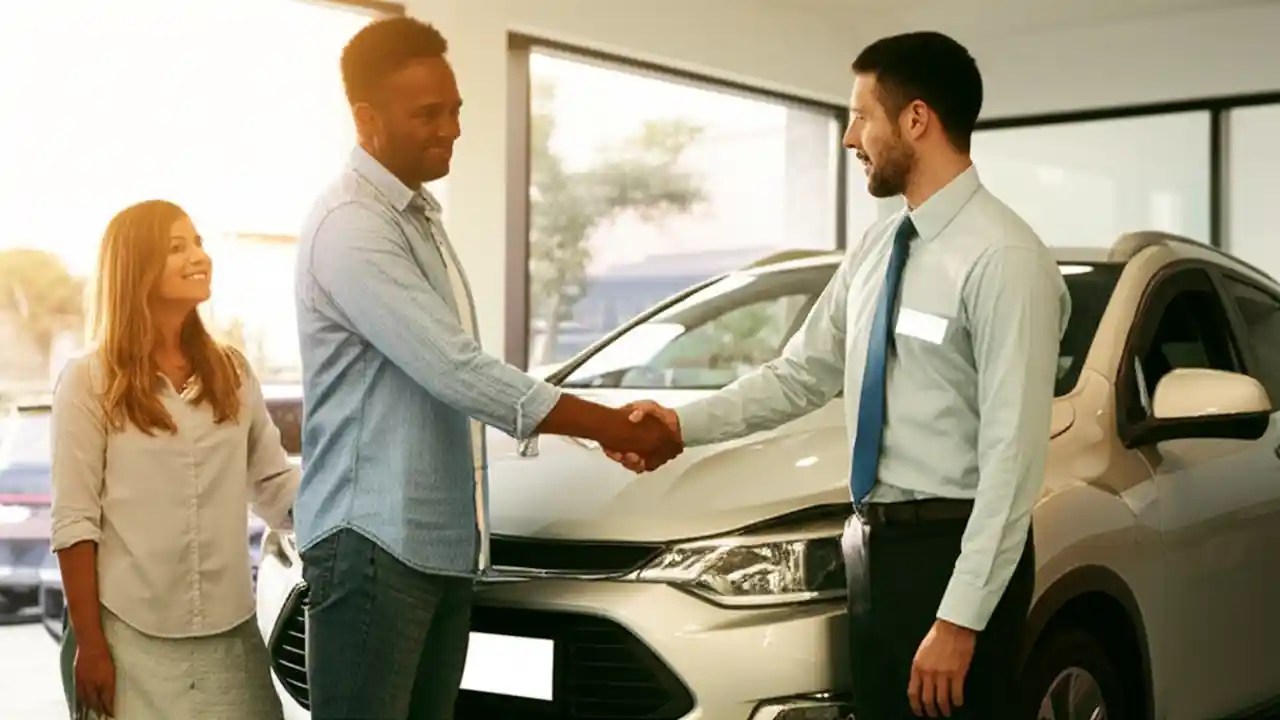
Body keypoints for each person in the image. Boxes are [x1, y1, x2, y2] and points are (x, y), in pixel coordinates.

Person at [613, 31, 1070, 719]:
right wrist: (681, 424)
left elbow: (1011, 464)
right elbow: (800, 374)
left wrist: (960, 620)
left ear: (916, 119)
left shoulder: (1006, 260)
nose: (849, 138)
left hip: (954, 555)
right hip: (874, 555)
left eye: (861, 116)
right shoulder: (880, 244)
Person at [293, 16, 681, 720]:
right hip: (375, 546)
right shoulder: (352, 224)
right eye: (428, 114)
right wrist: (605, 423)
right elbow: (455, 368)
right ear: (366, 118)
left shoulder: (416, 217)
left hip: (436, 548)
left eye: (456, 109)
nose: (452, 128)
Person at [50, 199, 299, 719]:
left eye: (199, 243)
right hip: (128, 639)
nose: (199, 256)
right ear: (135, 267)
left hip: (230, 641)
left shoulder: (232, 373)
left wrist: (356, 501)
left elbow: (275, 488)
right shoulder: (87, 381)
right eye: (177, 247)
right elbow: (75, 523)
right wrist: (91, 647)